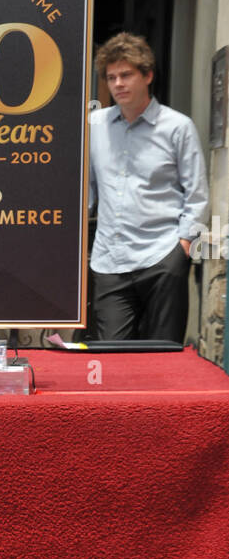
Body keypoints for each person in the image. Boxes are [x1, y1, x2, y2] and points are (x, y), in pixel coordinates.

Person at [89, 32, 208, 342]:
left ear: (148, 75)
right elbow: (86, 193)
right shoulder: (94, 126)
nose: (118, 84)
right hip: (109, 260)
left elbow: (196, 194)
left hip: (162, 257)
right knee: (110, 355)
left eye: (126, 74)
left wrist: (181, 248)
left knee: (162, 356)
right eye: (112, 77)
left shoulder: (177, 127)